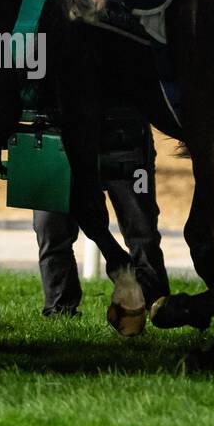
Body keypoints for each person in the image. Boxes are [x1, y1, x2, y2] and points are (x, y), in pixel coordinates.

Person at [35, 104, 169, 315]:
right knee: (51, 229)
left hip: (122, 131)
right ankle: (59, 310)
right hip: (59, 132)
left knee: (142, 232)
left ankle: (157, 306)